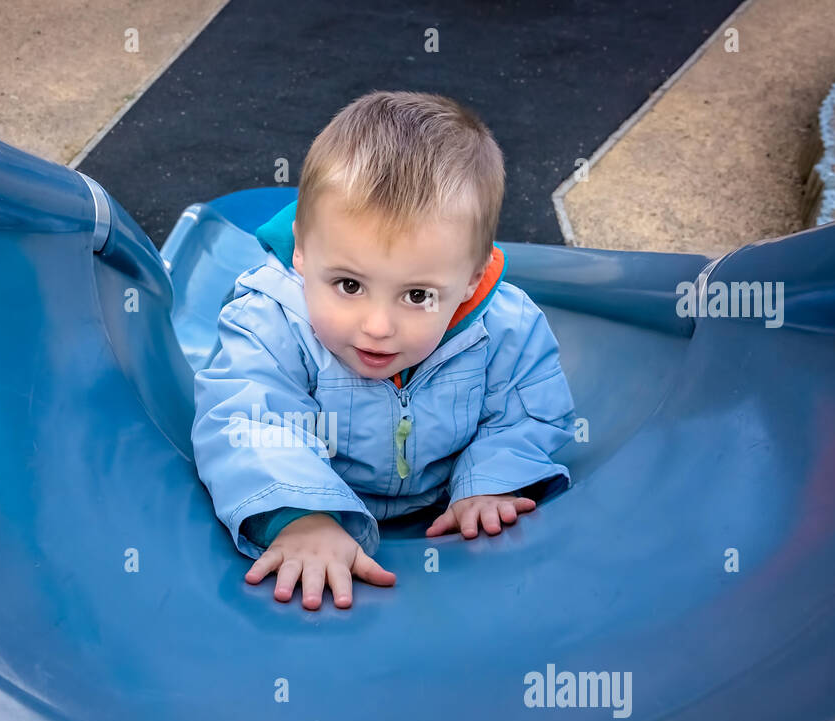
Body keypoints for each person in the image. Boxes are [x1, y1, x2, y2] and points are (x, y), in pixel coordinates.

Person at [191, 90, 576, 611]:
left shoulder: (505, 328)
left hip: (439, 520)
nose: (376, 327)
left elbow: (524, 412)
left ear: (471, 277)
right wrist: (303, 517)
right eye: (349, 285)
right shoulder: (271, 320)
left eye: (417, 295)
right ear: (302, 247)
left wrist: (490, 482)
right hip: (315, 496)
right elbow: (249, 422)